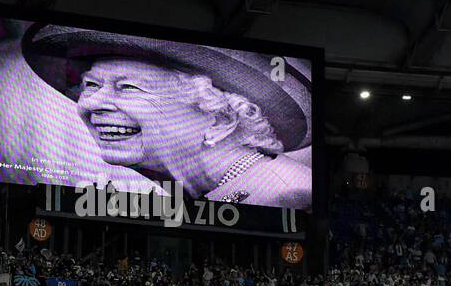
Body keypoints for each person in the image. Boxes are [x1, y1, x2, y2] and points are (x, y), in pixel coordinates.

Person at [21, 25, 312, 208]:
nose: (92, 103)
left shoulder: (290, 194)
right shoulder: (194, 193)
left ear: (220, 121)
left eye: (129, 88)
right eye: (91, 85)